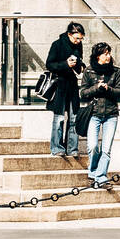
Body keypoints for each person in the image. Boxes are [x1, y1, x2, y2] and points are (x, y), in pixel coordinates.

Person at [80, 42, 120, 188]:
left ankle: (101, 176)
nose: (108, 56)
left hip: (111, 114)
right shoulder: (89, 71)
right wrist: (96, 88)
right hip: (94, 113)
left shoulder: (116, 72)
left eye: (109, 53)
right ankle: (93, 173)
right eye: (105, 53)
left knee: (106, 149)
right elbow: (83, 93)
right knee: (93, 146)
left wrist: (108, 89)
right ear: (98, 56)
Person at [45, 22, 85, 156]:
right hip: (60, 85)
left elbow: (79, 64)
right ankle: (57, 148)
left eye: (80, 38)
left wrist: (80, 66)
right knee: (59, 118)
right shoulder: (57, 44)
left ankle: (72, 148)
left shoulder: (78, 46)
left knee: (74, 118)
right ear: (69, 34)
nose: (78, 41)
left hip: (72, 85)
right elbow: (49, 64)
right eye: (76, 38)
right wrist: (66, 64)